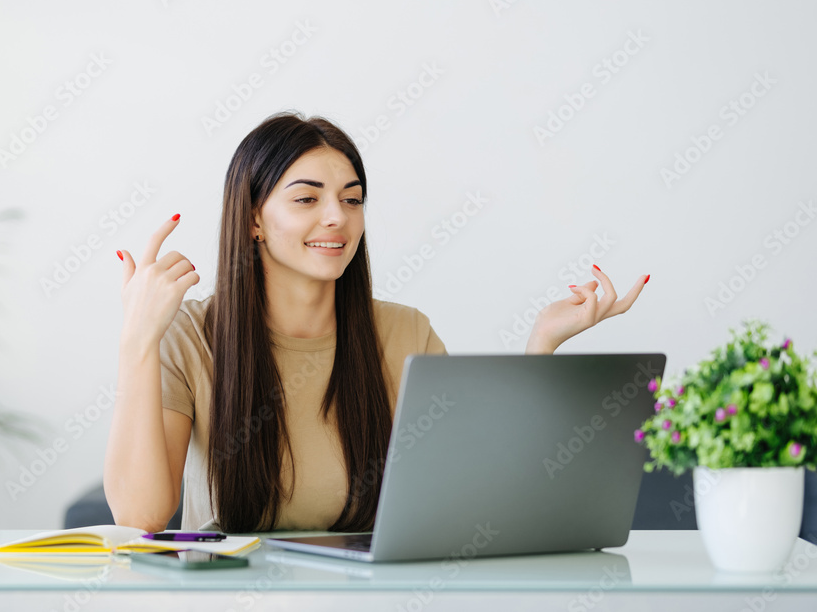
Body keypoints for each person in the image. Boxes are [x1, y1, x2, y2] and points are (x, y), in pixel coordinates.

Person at [103, 112, 649, 534]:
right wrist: (137, 339)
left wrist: (541, 348)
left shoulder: (405, 334)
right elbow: (140, 516)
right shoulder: (190, 337)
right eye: (307, 198)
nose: (337, 217)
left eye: (352, 198)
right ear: (253, 220)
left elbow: (481, 496)